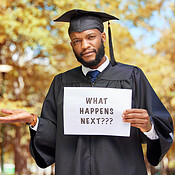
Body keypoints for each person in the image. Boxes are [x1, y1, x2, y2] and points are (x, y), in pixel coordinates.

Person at [0, 9, 174, 175]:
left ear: (103, 37)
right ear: (71, 45)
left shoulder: (132, 77)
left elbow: (162, 130)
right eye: (77, 41)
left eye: (91, 37)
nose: (85, 45)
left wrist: (148, 126)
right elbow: (55, 138)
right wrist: (33, 120)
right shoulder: (61, 83)